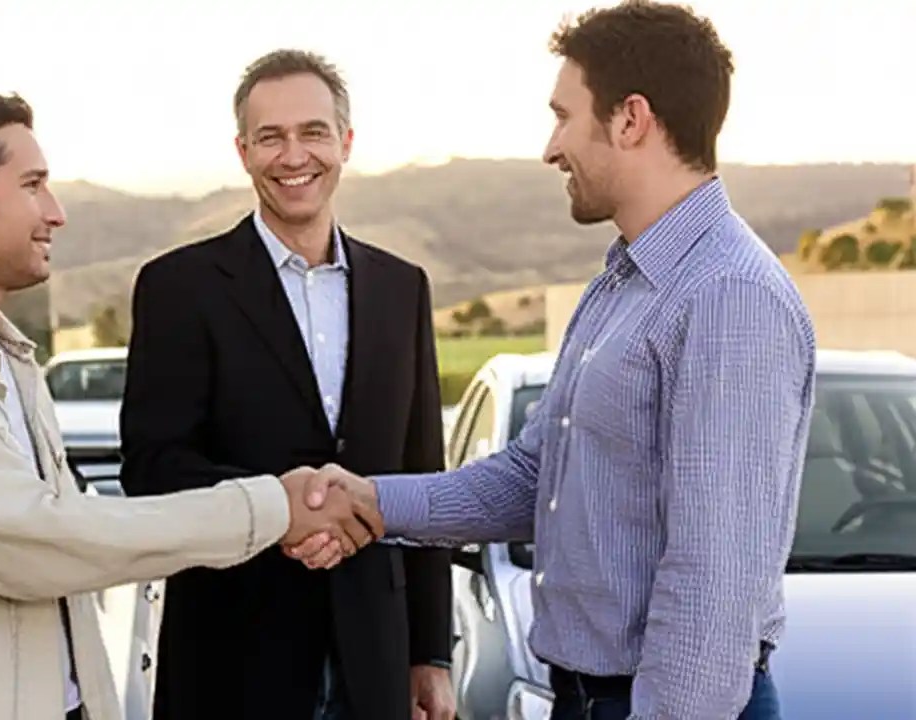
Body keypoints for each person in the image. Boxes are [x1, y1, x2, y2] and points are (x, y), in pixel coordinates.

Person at [288, 3, 816, 719]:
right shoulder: (622, 285)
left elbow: (712, 586)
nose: (551, 147)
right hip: (586, 697)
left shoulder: (729, 297)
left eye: (564, 115)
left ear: (631, 119)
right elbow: (535, 476)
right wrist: (374, 503)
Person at [0, 90, 382, 720]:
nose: (55, 213)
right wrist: (272, 506)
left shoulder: (5, 359)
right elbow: (37, 543)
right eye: (33, 185)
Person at [118, 49, 455, 720]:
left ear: (345, 142)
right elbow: (153, 469)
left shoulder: (401, 287)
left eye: (312, 132)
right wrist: (279, 510)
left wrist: (431, 652)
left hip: (375, 661)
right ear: (243, 151)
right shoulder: (178, 288)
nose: (292, 155)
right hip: (232, 659)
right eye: (270, 137)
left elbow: (424, 474)